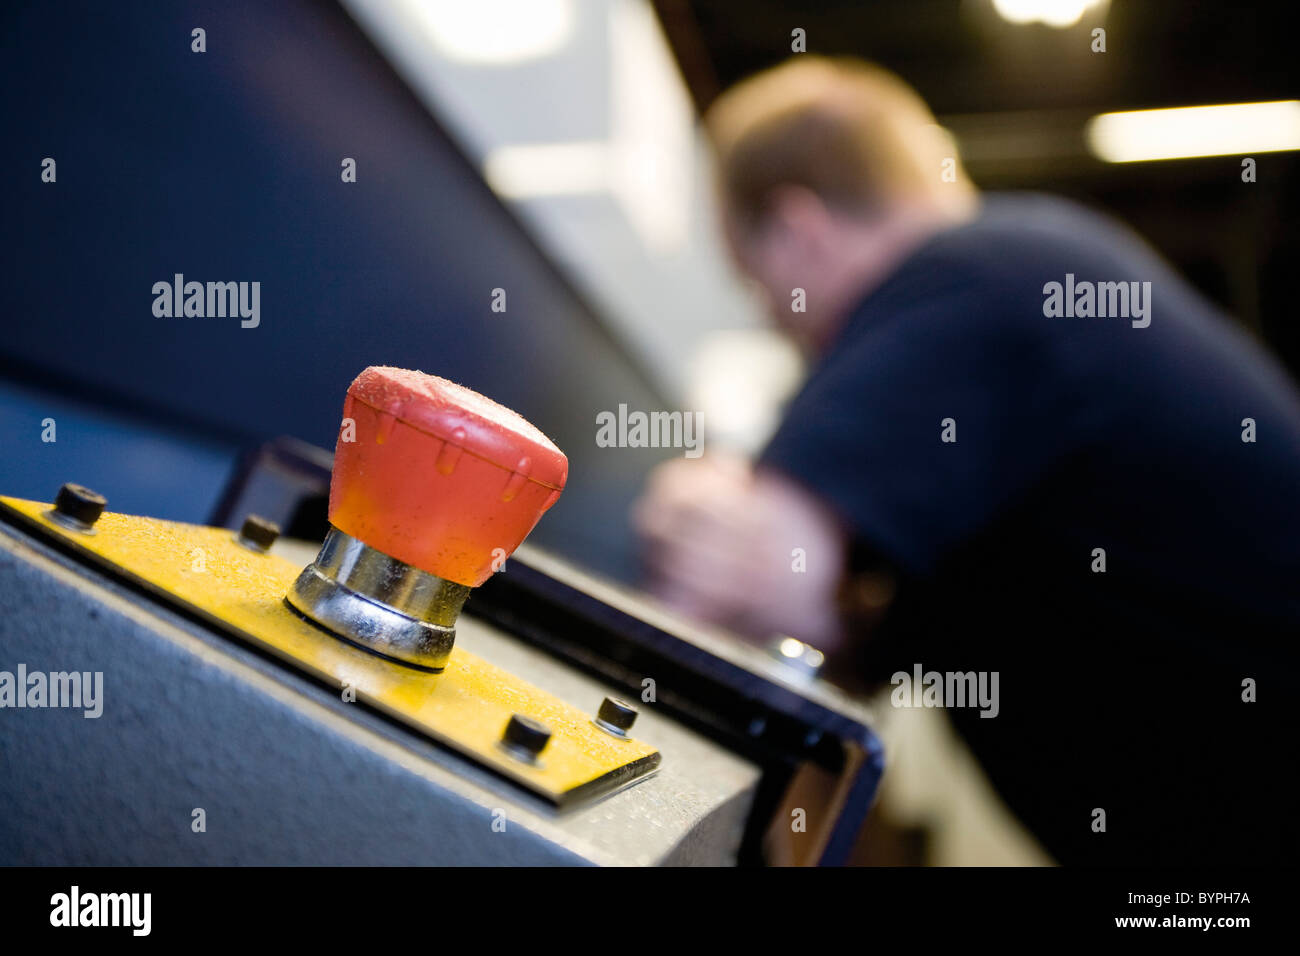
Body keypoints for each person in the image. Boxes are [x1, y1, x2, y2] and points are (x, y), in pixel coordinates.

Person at [633, 56, 1300, 865]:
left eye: (761, 290)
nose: (782, 328)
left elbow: (753, 574)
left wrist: (698, 499)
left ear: (798, 231)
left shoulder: (972, 272)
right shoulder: (1028, 291)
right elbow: (839, 638)